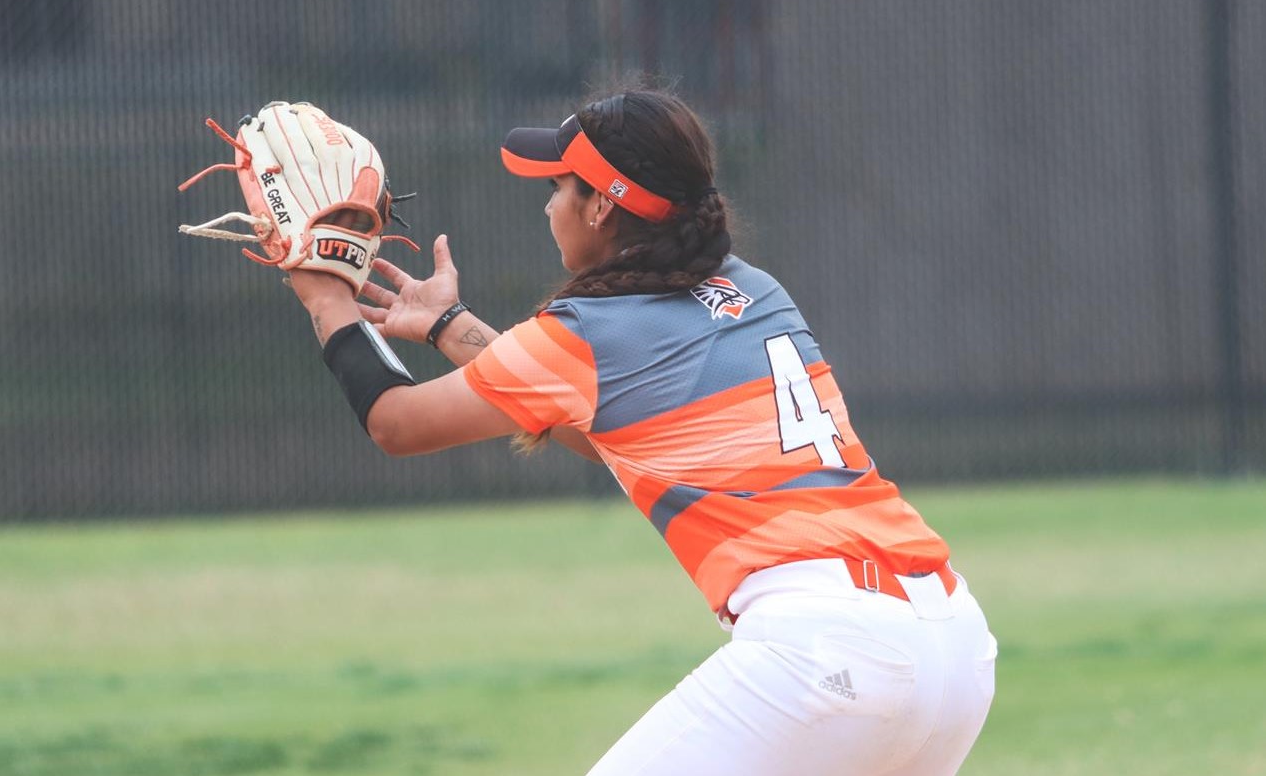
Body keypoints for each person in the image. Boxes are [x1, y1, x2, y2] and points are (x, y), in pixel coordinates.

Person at [286, 89, 997, 775]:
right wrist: (448, 325)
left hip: (826, 648)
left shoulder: (587, 329)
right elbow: (612, 432)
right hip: (954, 641)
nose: (548, 204)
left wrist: (323, 293)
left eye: (559, 187)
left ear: (601, 206)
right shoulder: (755, 290)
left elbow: (397, 423)